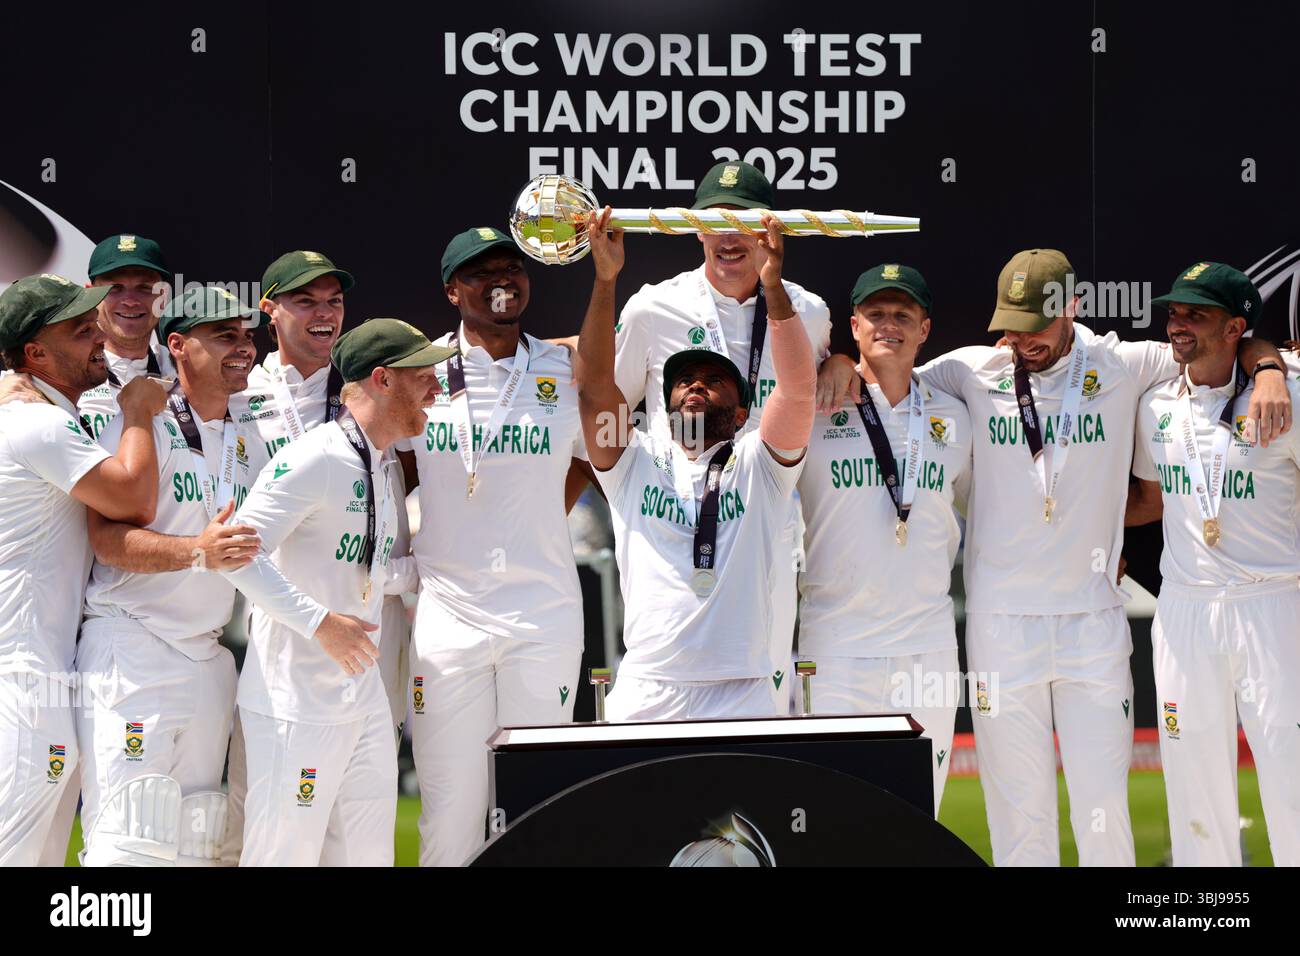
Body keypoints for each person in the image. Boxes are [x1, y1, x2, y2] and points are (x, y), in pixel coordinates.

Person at [817, 248, 1291, 866]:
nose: (1019, 339)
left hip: (1091, 622)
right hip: (998, 626)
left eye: (1034, 324)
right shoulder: (967, 372)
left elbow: (1223, 350)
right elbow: (888, 371)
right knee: (1019, 822)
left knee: (1103, 818)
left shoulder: (1124, 363)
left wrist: (1270, 367)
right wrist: (838, 360)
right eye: (1008, 323)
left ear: (1071, 308)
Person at [223, 319, 452, 866]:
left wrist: (428, 573)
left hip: (361, 693)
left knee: (367, 855)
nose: (436, 391)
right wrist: (320, 623)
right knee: (282, 856)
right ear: (382, 380)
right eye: (424, 378)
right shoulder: (316, 456)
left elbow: (356, 562)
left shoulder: (376, 460)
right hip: (294, 697)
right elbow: (235, 557)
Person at [580, 207, 817, 719]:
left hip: (743, 692)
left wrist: (772, 286)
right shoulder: (634, 462)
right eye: (683, 381)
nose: (693, 387)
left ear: (742, 413)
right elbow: (594, 388)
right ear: (663, 406)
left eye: (713, 381)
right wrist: (605, 280)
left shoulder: (761, 467)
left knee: (747, 806)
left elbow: (799, 390)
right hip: (647, 688)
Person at [403, 226, 592, 867]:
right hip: (447, 620)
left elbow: (593, 459)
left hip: (543, 617)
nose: (501, 281)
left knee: (540, 806)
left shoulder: (564, 368)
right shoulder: (418, 368)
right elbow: (392, 467)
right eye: (481, 273)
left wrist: (534, 513)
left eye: (512, 268)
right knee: (452, 810)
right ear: (453, 291)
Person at [72, 285, 269, 866]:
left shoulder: (252, 438)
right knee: (128, 835)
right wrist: (197, 553)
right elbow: (106, 541)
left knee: (201, 839)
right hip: (132, 646)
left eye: (248, 336)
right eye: (224, 335)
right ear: (178, 344)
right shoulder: (136, 425)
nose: (243, 348)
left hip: (208, 654)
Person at [1128, 262, 1300, 866]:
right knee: (1193, 781)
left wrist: (1272, 367)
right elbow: (1147, 500)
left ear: (1235, 328)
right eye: (1174, 312)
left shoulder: (1287, 396)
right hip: (1184, 608)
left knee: (1290, 774)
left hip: (1273, 604)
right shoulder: (1152, 406)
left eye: (1196, 315)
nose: (1179, 325)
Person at [0, 274, 165, 866]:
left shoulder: (27, 410)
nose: (98, 334)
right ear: (36, 354)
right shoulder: (37, 423)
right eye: (78, 329)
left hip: (36, 672)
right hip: (21, 679)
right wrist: (140, 411)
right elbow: (134, 500)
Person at [795, 264, 971, 815]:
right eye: (875, 314)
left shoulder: (956, 415)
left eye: (902, 315)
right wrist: (832, 365)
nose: (887, 325)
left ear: (925, 328)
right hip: (836, 648)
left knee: (921, 818)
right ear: (853, 325)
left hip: (928, 646)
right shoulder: (814, 406)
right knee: (833, 819)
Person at [77, 234, 176, 438]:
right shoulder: (64, 370)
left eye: (144, 288)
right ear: (91, 296)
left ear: (163, 297)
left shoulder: (184, 371)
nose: (130, 301)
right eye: (115, 288)